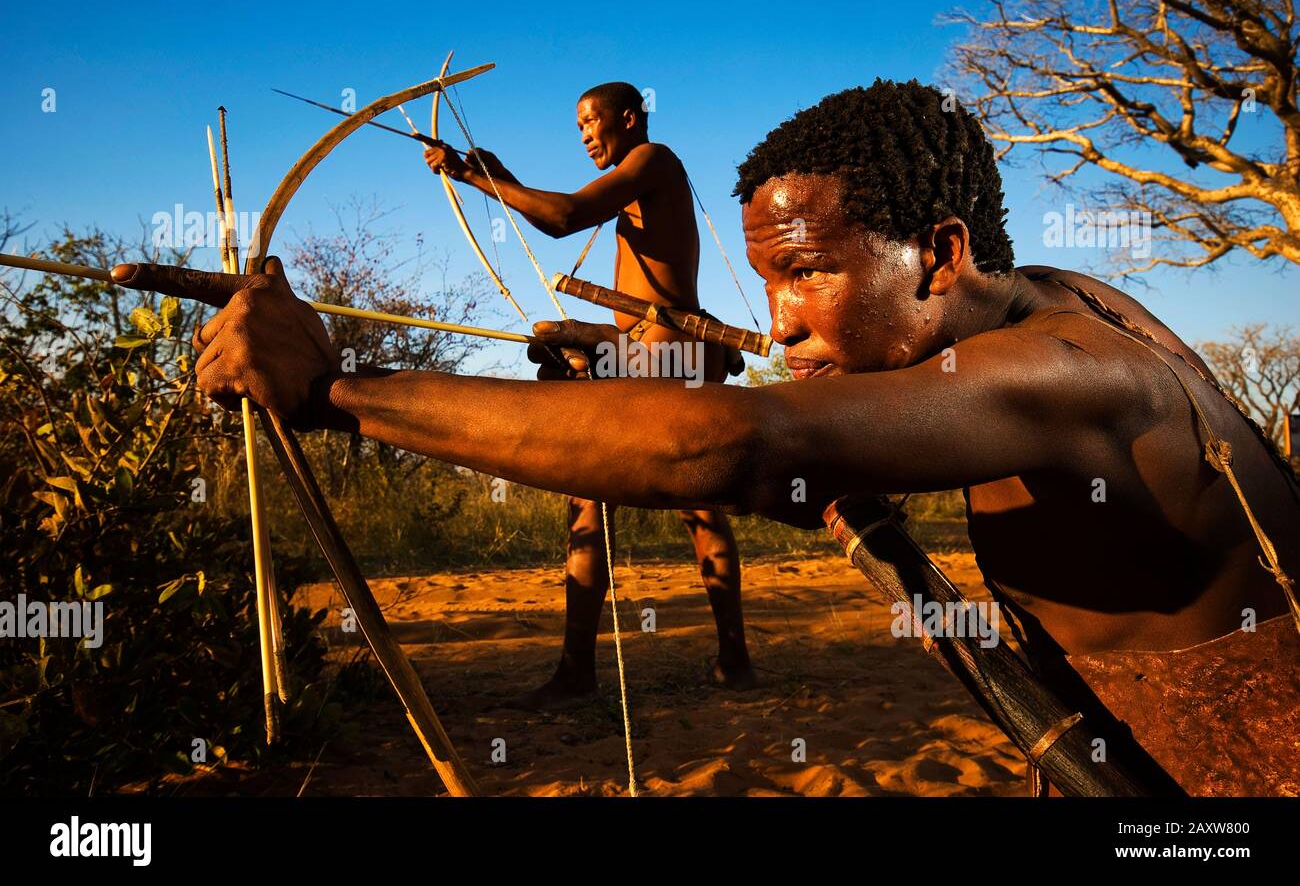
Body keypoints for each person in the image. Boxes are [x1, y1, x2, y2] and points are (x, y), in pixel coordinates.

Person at [116, 79, 1299, 794]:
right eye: (764, 285)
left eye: (805, 276)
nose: (777, 322)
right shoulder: (1044, 295)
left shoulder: (1058, 371)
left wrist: (337, 391)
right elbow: (770, 435)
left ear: (939, 252)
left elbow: (728, 445)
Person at [421, 81, 755, 707]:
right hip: (650, 352)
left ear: (629, 118)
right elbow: (569, 226)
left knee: (667, 503)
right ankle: (704, 664)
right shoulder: (637, 179)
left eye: (589, 123)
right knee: (624, 497)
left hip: (670, 357)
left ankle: (610, 671)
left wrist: (479, 181)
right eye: (577, 128)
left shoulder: (653, 161)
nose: (583, 137)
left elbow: (564, 217)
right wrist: (496, 174)